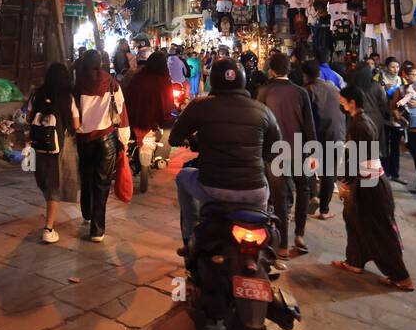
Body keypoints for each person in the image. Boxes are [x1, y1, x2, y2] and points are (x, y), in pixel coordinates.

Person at [169, 58, 281, 252]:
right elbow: (275, 149)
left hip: (213, 187)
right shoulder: (262, 111)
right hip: (255, 192)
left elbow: (175, 138)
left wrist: (193, 141)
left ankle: (190, 237)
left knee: (182, 177)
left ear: (213, 80)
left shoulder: (200, 106)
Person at [330, 86, 414, 291]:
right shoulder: (361, 121)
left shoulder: (361, 125)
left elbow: (357, 158)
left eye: (343, 100)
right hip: (366, 181)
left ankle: (401, 276)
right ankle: (355, 261)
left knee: (380, 230)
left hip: (370, 185)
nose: (341, 104)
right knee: (353, 219)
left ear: (352, 102)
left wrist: (346, 184)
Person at [259, 52, 317, 257]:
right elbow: (309, 124)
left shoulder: (265, 91)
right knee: (303, 190)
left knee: (280, 196)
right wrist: (313, 153)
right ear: (289, 70)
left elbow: (261, 125)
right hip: (300, 149)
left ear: (272, 70)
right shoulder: (301, 92)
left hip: (275, 152)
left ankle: (282, 245)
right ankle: (299, 235)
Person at [74, 49, 126, 242]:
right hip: (106, 138)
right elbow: (120, 109)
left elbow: (74, 111)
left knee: (86, 175)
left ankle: (86, 212)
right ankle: (97, 229)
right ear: (101, 63)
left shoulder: (78, 83)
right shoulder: (112, 83)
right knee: (102, 183)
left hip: (84, 139)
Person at [28, 63, 81, 243]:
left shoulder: (37, 95)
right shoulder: (68, 98)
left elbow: (29, 117)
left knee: (46, 181)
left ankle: (49, 220)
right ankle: (48, 228)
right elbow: (76, 125)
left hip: (38, 145)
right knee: (55, 185)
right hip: (59, 146)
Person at [124, 51, 178, 193]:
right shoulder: (163, 79)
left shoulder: (138, 77)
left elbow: (128, 98)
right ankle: (162, 157)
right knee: (168, 130)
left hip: (135, 119)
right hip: (155, 120)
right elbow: (168, 103)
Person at [303, 61, 346, 220]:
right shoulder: (334, 88)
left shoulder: (308, 90)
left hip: (318, 136)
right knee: (330, 172)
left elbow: (307, 117)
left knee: (311, 166)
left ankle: (313, 195)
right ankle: (324, 210)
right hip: (337, 134)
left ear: (305, 75)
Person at [378, 56, 406, 184]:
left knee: (395, 146)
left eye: (397, 67)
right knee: (384, 146)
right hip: (383, 117)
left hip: (396, 117)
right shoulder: (379, 78)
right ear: (386, 67)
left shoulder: (401, 80)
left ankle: (395, 173)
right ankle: (384, 172)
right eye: (392, 67)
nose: (395, 69)